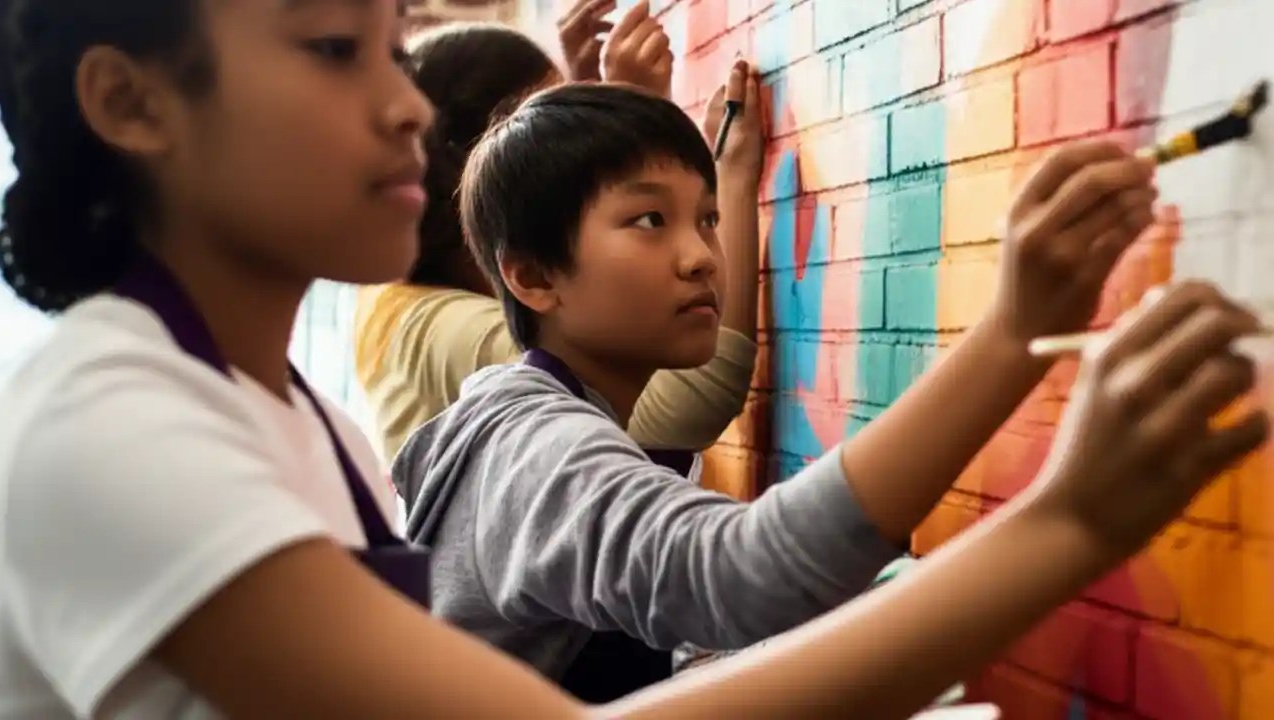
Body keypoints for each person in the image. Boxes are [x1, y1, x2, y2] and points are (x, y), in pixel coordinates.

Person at [0, 2, 1263, 719]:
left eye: (393, 50)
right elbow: (732, 580)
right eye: (333, 50)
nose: (409, 108)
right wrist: (1064, 523)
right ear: (131, 101)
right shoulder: (117, 433)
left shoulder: (282, 416)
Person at [393, 81, 1240, 698]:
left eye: (707, 218)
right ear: (533, 276)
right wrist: (1012, 331)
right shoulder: (536, 448)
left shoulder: (552, 420)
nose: (700, 257)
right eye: (650, 220)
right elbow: (741, 575)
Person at [353, 17, 762, 463]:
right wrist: (729, 173)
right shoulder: (428, 325)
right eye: (543, 121)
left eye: (707, 219)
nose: (700, 257)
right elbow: (685, 405)